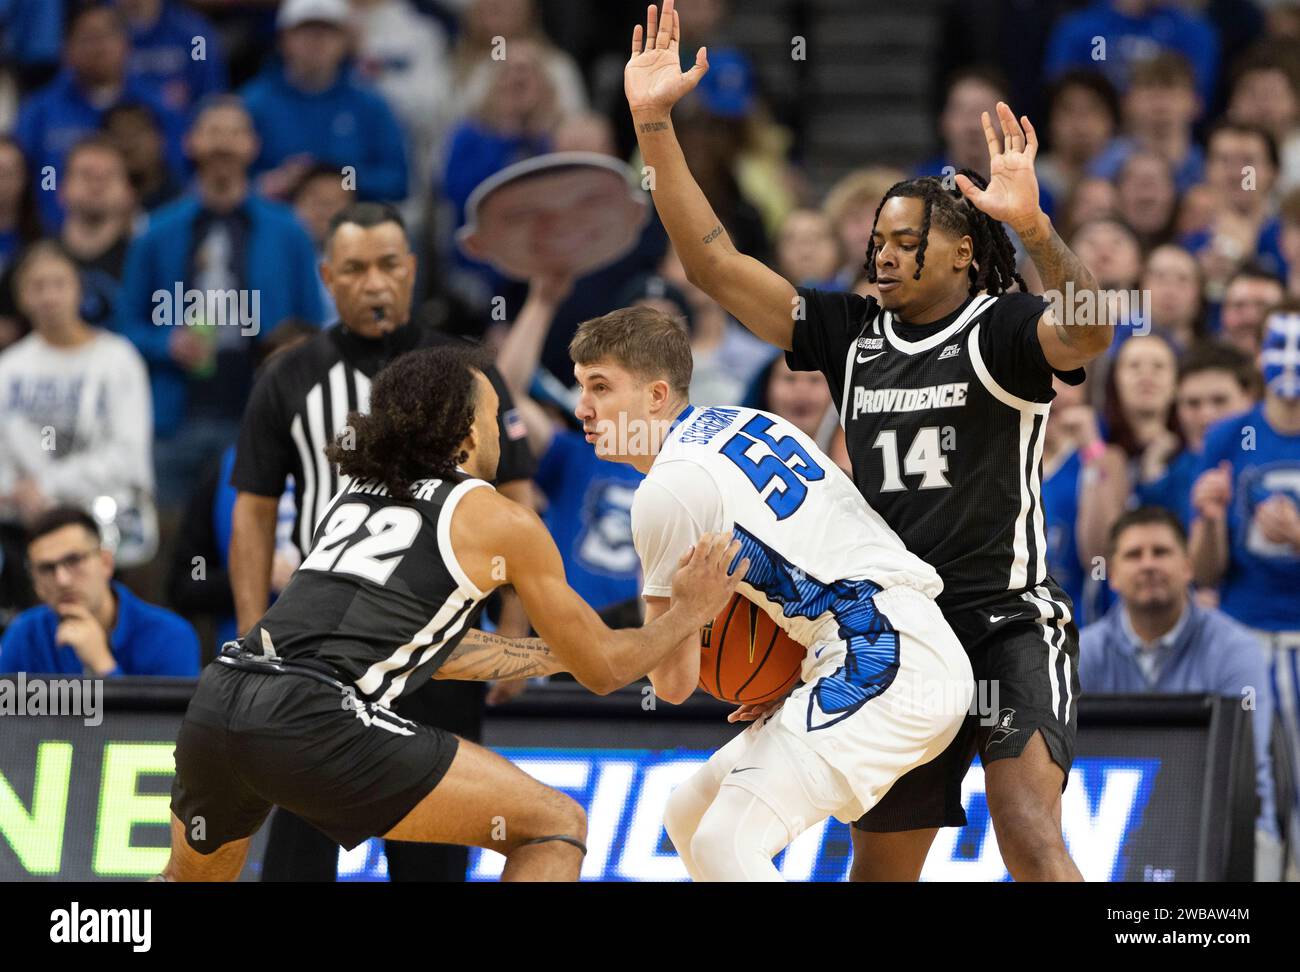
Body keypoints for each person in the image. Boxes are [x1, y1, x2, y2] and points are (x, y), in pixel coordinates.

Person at [625, 1, 1121, 881]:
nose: (882, 254)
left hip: (1004, 619)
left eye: (906, 241)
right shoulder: (850, 335)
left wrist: (1037, 230)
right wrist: (654, 124)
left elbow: (1090, 331)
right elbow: (712, 263)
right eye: (877, 240)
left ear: (964, 251)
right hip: (892, 631)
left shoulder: (1001, 329)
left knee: (1027, 830)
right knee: (880, 873)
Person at [161, 345, 746, 881]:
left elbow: (429, 649)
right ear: (468, 432)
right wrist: (688, 612)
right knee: (554, 825)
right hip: (313, 716)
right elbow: (605, 670)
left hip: (221, 699)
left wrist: (552, 654)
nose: (502, 431)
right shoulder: (498, 518)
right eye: (493, 415)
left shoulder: (352, 497)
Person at [568, 306, 972, 881]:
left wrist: (690, 610)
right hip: (892, 642)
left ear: (655, 395)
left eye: (600, 387)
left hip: (882, 662)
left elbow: (673, 684)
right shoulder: (749, 421)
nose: (582, 407)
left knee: (725, 844)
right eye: (582, 386)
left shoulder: (669, 489)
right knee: (688, 814)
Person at [229, 201, 536, 882]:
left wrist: (516, 624)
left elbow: (515, 493)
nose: (374, 283)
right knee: (298, 860)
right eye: (355, 269)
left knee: (433, 862)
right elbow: (253, 512)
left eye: (389, 265)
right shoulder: (289, 375)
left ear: (413, 269)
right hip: (317, 656)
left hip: (440, 646)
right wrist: (254, 628)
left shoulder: (469, 370)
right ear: (326, 277)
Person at [114, 95, 327, 510]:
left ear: (253, 145)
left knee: (259, 535)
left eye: (235, 132)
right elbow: (125, 326)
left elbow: (312, 328)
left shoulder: (288, 231)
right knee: (173, 537)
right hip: (175, 421)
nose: (224, 144)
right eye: (213, 132)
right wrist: (166, 343)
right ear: (190, 142)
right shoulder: (155, 231)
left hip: (262, 415)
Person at [1079, 507, 1280, 879]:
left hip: (1219, 826)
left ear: (1188, 567)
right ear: (1113, 576)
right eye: (1134, 554)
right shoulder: (1081, 653)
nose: (1148, 564)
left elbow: (1246, 767)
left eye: (1161, 552)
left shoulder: (1236, 649)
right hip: (1109, 831)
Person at [1190, 303, 1300, 873]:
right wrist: (1210, 520)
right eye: (1280, 346)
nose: (1290, 362)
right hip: (1244, 633)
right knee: (1248, 781)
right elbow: (1204, 572)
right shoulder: (1231, 436)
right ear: (1259, 356)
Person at [0, 241, 155, 566]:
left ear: (79, 289)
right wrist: (17, 490)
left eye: (59, 284)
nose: (49, 296)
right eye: (37, 286)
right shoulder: (9, 369)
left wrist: (48, 485)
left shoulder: (118, 359)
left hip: (109, 530)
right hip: (26, 529)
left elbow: (128, 456)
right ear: (21, 297)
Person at [13, 2, 184, 229]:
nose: (98, 48)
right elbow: (20, 179)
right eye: (87, 39)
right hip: (52, 234)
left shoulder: (156, 107)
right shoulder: (39, 112)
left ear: (126, 44)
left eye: (106, 36)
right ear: (66, 49)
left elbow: (178, 172)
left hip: (146, 232)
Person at [240, 0, 408, 204]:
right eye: (305, 31)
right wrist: (271, 183)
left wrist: (337, 180)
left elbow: (397, 181)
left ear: (345, 41)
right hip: (277, 215)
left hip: (351, 217)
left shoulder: (371, 104)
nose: (316, 41)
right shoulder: (253, 103)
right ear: (284, 39)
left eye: (328, 32)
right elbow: (229, 177)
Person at [0, 506, 198, 677]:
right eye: (47, 568)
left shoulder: (171, 636)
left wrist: (102, 665)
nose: (62, 580)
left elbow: (172, 713)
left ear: (106, 563)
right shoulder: (24, 634)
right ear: (35, 583)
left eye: (74, 560)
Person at [1136, 341, 1258, 528]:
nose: (1206, 416)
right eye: (1193, 403)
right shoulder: (1167, 483)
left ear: (1249, 397)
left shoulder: (1275, 457)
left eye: (1220, 400)